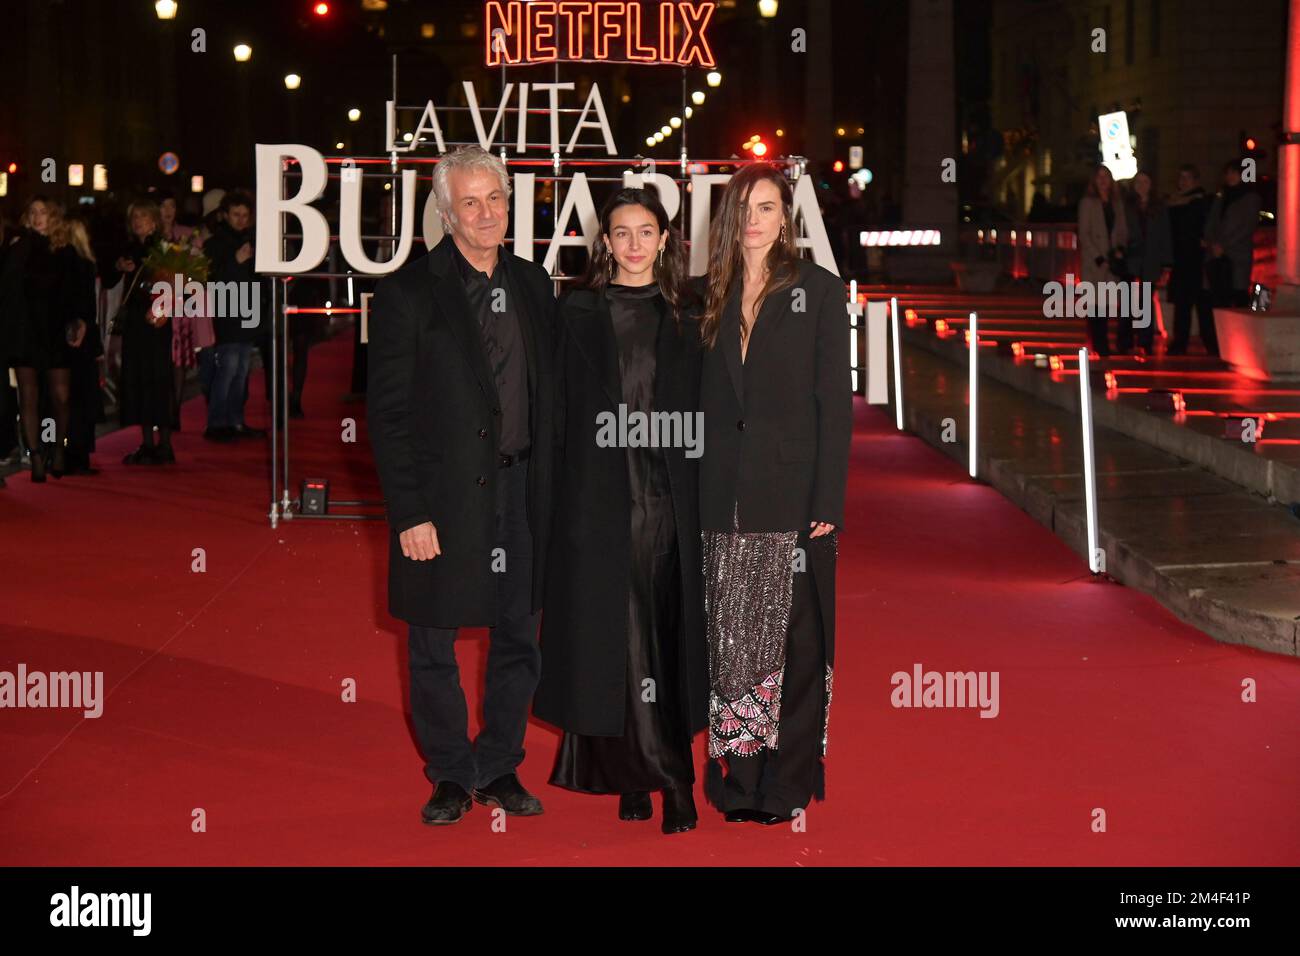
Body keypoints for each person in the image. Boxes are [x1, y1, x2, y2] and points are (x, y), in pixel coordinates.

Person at [367, 146, 556, 826]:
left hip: (521, 495)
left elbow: (553, 398)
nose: (484, 213)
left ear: (510, 204)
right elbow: (386, 415)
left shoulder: (536, 285)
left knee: (518, 639)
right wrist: (409, 512)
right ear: (445, 212)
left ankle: (501, 764)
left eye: (494, 199)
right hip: (442, 504)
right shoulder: (408, 292)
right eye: (469, 202)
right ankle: (449, 771)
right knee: (432, 641)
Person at [533, 188, 707, 835]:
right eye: (621, 233)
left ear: (664, 240)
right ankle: (636, 773)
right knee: (617, 639)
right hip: (597, 503)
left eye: (646, 232)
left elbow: (712, 418)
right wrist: (549, 508)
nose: (633, 244)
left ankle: (673, 776)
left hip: (668, 504)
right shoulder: (575, 311)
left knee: (661, 637)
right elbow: (554, 416)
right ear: (604, 242)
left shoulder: (690, 315)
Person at [697, 163, 852, 825]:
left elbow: (833, 404)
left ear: (784, 216)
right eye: (745, 208)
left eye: (767, 206)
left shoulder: (816, 290)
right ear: (730, 218)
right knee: (738, 647)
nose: (756, 219)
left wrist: (828, 499)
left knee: (797, 647)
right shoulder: (708, 294)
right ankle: (743, 776)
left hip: (791, 494)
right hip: (723, 493)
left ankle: (786, 783)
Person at [0, 198, 75, 481]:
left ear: (53, 216)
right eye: (32, 212)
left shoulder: (65, 249)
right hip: (25, 331)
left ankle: (58, 448)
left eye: (43, 212)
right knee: (28, 396)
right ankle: (34, 457)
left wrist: (77, 322)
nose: (37, 217)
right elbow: (8, 291)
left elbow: (76, 290)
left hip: (56, 329)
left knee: (61, 396)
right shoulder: (19, 248)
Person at [112, 200, 178, 464]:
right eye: (134, 217)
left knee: (158, 378)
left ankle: (163, 444)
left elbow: (176, 282)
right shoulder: (130, 250)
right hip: (137, 324)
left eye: (143, 216)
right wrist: (119, 267)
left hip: (155, 320)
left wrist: (161, 306)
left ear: (153, 221)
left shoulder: (162, 248)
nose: (138, 221)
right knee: (140, 378)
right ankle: (148, 443)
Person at [202, 191, 263, 442]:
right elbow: (212, 279)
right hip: (228, 310)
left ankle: (235, 421)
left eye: (245, 215)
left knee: (241, 370)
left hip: (248, 308)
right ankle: (217, 423)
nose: (241, 220)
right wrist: (236, 261)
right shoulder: (215, 243)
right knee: (228, 368)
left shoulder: (250, 239)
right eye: (236, 214)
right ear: (225, 215)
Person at [51, 217, 104, 476]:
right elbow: (85, 302)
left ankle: (65, 451)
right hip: (79, 335)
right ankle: (76, 454)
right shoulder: (81, 263)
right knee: (80, 397)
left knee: (66, 398)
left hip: (66, 335)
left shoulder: (61, 261)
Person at [1077, 164, 1129, 357]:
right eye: (1099, 176)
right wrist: (1098, 257)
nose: (1103, 180)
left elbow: (1122, 230)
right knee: (1095, 307)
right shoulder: (1087, 202)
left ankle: (1103, 344)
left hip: (1112, 261)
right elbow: (1084, 233)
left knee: (1106, 306)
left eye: (1106, 176)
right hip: (1095, 262)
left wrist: (1120, 249)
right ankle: (1099, 345)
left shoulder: (1117, 203)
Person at [1166, 164, 1216, 356]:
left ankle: (1206, 342)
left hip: (1196, 260)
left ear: (1195, 180)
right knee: (1184, 305)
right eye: (1181, 178)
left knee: (1199, 305)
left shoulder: (1201, 202)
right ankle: (1183, 343)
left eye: (1186, 178)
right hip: (1183, 260)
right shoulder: (1178, 202)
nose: (1182, 182)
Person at [1121, 170, 1172, 354]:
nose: (1142, 186)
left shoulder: (1159, 207)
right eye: (1138, 182)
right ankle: (1126, 341)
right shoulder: (1127, 206)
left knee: (1145, 302)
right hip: (1132, 259)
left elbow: (1165, 235)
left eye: (1145, 181)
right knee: (1128, 302)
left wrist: (1166, 263)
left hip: (1150, 260)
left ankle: (1145, 341)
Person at [1204, 160, 1262, 311]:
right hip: (1217, 254)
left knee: (1238, 295)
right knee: (1218, 297)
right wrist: (1212, 243)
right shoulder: (1222, 195)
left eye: (1234, 173)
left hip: (1236, 255)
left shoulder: (1250, 197)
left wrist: (1225, 246)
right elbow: (1212, 221)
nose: (1230, 176)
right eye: (1228, 173)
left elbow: (1247, 227)